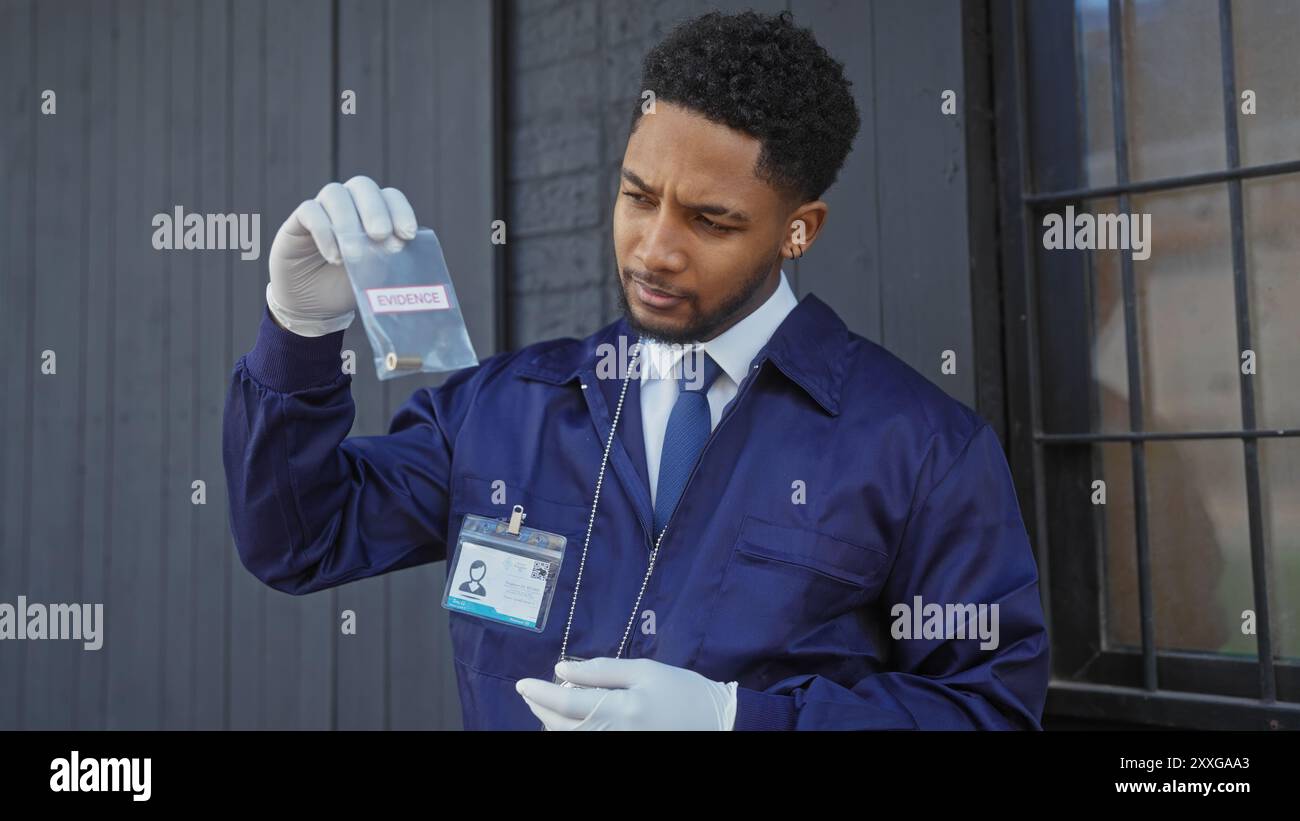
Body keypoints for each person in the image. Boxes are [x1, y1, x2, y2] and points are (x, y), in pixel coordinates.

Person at [223, 9, 1049, 730]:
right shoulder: (503, 412)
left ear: (800, 230)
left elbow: (988, 709)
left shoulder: (924, 451)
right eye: (637, 195)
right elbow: (299, 539)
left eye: (711, 220)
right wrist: (303, 325)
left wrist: (740, 721)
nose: (655, 249)